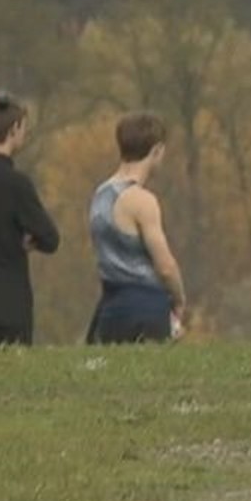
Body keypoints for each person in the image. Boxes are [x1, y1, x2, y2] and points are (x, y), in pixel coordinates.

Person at [86, 112, 187, 344]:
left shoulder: (100, 195)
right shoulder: (142, 201)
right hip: (145, 306)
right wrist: (179, 299)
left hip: (110, 305)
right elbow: (165, 267)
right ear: (157, 150)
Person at [0, 92, 61, 345]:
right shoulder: (16, 184)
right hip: (9, 300)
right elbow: (50, 238)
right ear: (14, 130)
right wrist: (31, 239)